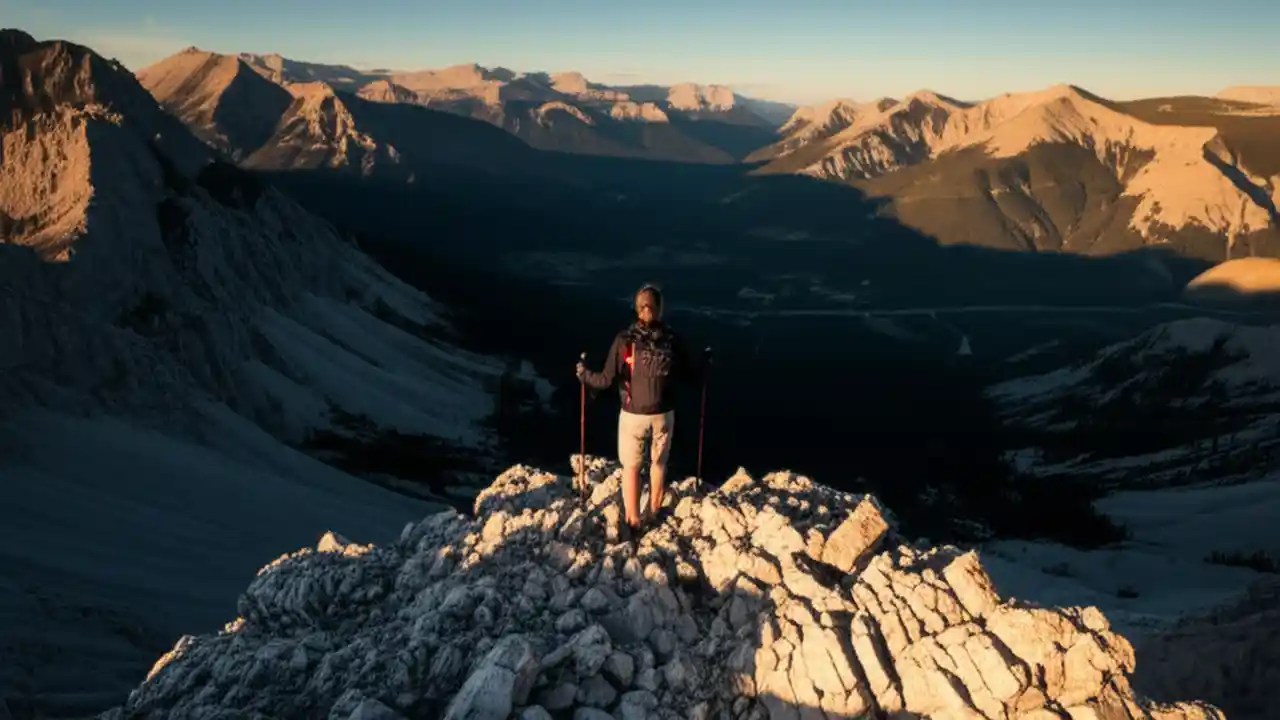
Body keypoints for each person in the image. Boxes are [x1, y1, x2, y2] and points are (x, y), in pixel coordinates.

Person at [576, 283, 706, 537]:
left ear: (637, 310)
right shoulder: (672, 339)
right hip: (664, 414)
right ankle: (654, 512)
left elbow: (605, 380)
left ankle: (634, 520)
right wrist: (706, 363)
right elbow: (691, 376)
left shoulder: (625, 340)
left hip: (633, 414)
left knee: (631, 467)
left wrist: (583, 374)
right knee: (659, 463)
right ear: (659, 310)